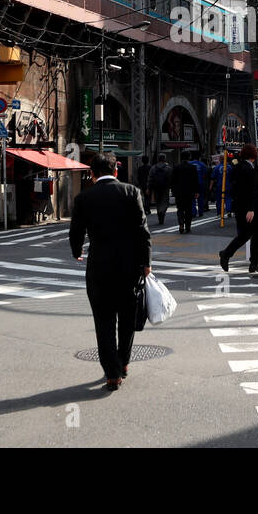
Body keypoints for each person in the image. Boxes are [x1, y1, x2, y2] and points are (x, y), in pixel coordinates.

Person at [70, 152, 150, 391]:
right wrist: (146, 263)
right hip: (129, 266)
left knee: (103, 321)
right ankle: (124, 362)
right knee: (127, 317)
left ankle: (112, 374)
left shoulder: (84, 198)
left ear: (92, 174)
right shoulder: (131, 192)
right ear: (116, 171)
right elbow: (142, 230)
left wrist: (76, 251)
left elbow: (76, 231)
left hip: (99, 267)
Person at [219, 144, 258, 273]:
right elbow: (251, 190)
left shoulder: (237, 167)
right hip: (251, 208)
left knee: (253, 235)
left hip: (240, 206)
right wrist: (250, 208)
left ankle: (254, 263)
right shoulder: (249, 169)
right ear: (253, 154)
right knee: (247, 234)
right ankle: (226, 253)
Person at [171, 155, 199, 233]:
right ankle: (187, 226)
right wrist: (196, 191)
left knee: (180, 209)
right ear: (189, 158)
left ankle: (180, 224)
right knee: (188, 210)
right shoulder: (192, 167)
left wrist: (173, 191)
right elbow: (195, 180)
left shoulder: (176, 167)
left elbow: (173, 181)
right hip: (189, 192)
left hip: (179, 193)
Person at [147, 153, 173, 225]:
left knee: (158, 201)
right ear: (164, 159)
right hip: (165, 188)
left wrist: (148, 188)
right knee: (165, 202)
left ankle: (159, 212)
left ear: (158, 159)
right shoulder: (168, 168)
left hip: (156, 187)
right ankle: (162, 212)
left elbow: (150, 178)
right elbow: (172, 178)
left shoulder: (153, 168)